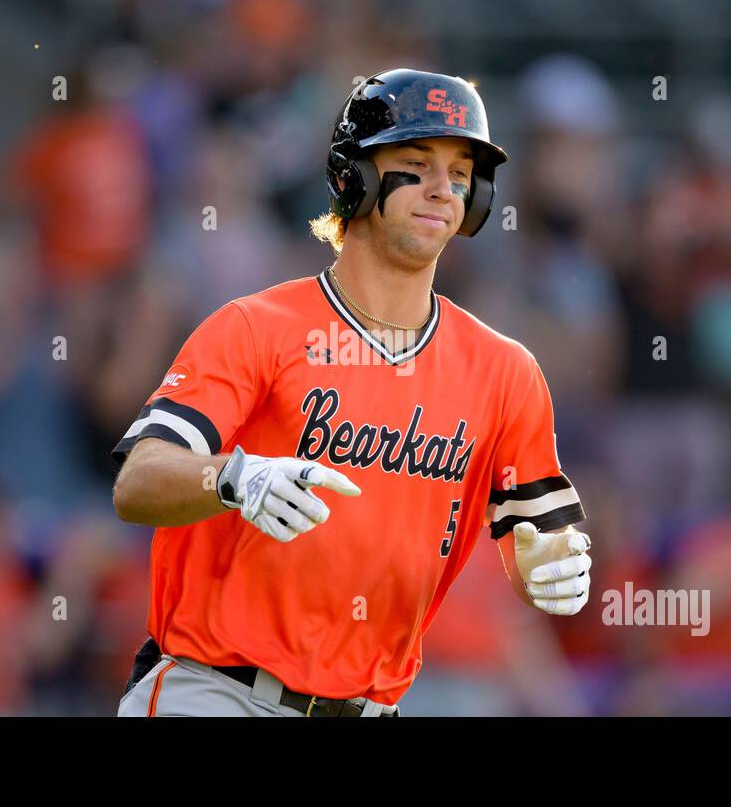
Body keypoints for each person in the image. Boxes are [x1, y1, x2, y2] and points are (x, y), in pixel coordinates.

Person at [111, 69, 593, 717]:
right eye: (416, 163)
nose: (441, 188)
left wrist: (551, 564)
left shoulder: (505, 371)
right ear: (353, 178)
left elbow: (541, 545)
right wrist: (234, 476)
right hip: (219, 693)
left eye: (459, 170)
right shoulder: (256, 327)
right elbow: (137, 481)